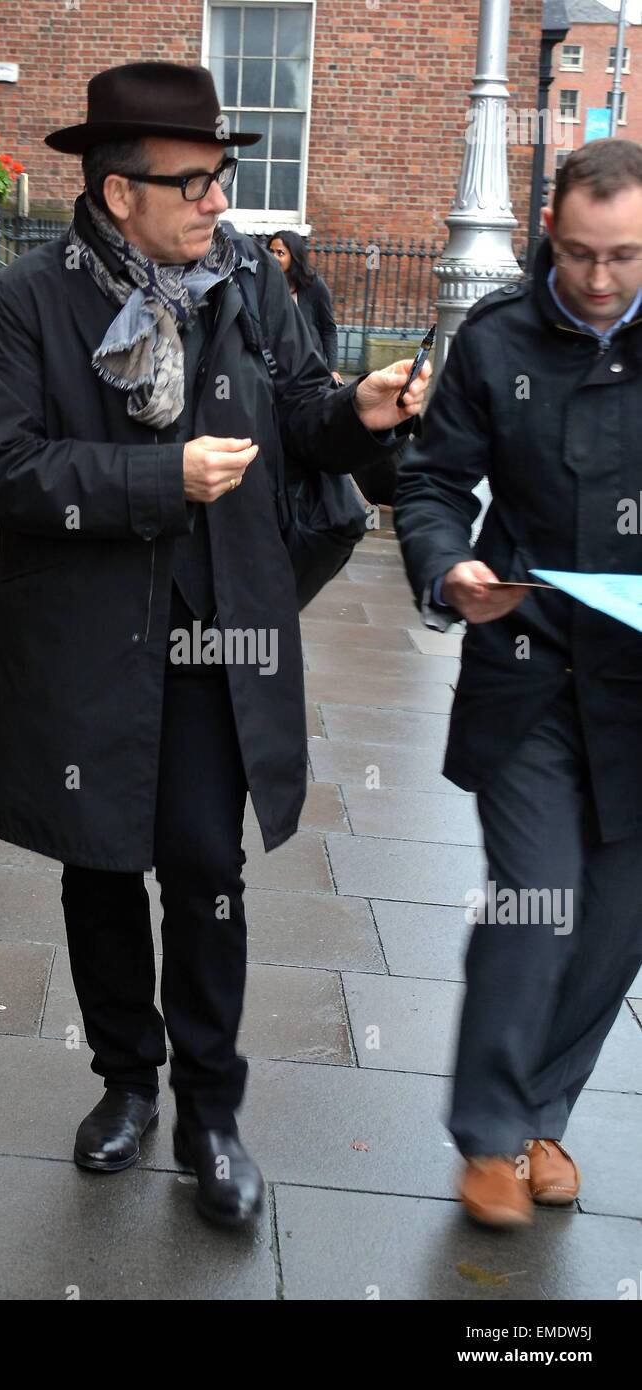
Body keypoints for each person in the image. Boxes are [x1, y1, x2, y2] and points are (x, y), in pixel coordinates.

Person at [0, 60, 428, 1230]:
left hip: (221, 636)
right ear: (120, 192)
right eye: (197, 183)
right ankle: (127, 1082)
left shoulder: (244, 287)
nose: (222, 201)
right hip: (85, 644)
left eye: (225, 177)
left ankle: (212, 1112)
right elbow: (5, 470)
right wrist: (155, 478)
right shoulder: (29, 297)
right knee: (101, 862)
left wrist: (359, 412)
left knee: (206, 869)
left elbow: (303, 411)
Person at [393, 137, 642, 1228]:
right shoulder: (497, 341)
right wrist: (450, 568)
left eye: (626, 257)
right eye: (582, 254)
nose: (599, 280)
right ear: (549, 232)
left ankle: (546, 1113)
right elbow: (434, 478)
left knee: (616, 926)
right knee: (539, 902)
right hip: (532, 669)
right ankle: (490, 1135)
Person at [268, 230, 343, 383]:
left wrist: (333, 369)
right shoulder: (266, 285)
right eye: (271, 252)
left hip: (308, 368)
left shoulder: (314, 286)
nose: (273, 257)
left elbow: (328, 329)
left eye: (280, 253)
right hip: (276, 369)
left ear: (294, 257)